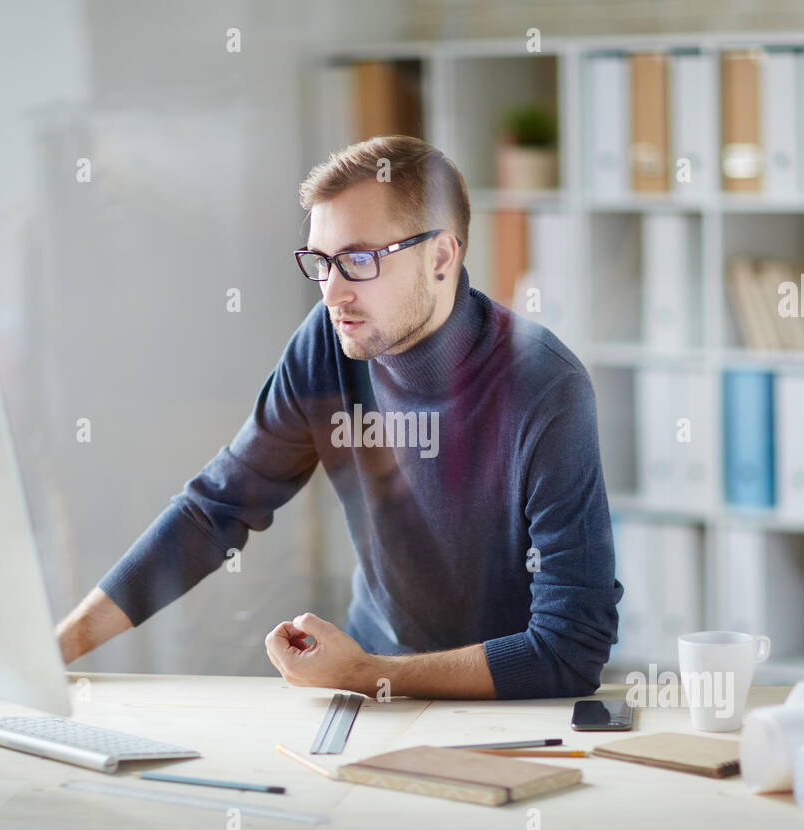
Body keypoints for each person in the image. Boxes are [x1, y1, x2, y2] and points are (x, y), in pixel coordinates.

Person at [56, 135, 623, 699]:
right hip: (372, 694)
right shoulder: (326, 345)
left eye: (357, 260)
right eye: (322, 262)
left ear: (442, 257)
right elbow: (214, 511)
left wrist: (364, 673)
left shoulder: (545, 388)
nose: (332, 294)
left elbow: (570, 650)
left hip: (510, 709)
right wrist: (52, 650)